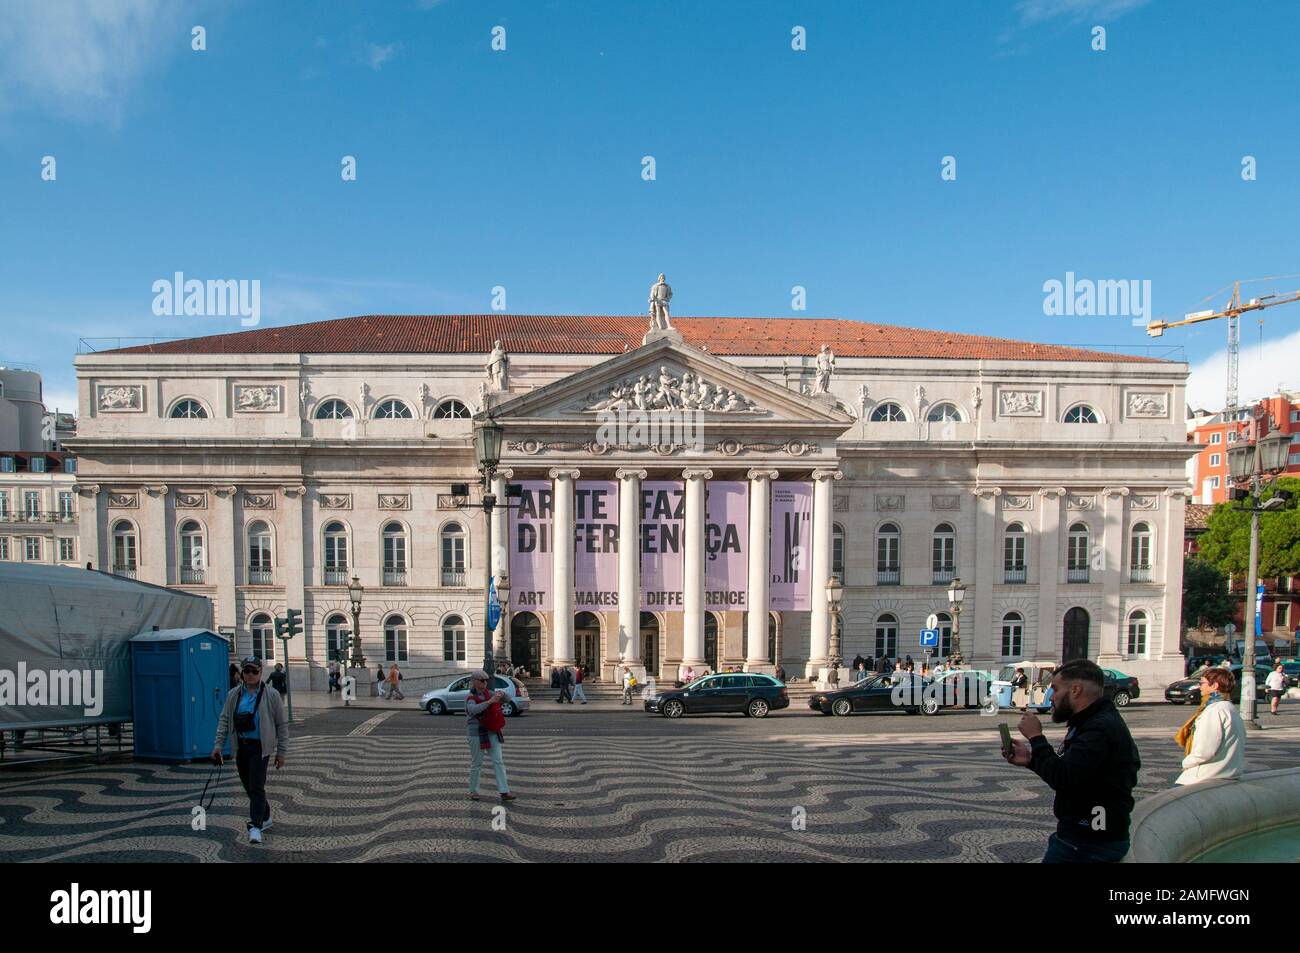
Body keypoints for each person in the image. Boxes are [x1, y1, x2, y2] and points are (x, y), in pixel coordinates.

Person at [1003, 659, 1140, 863]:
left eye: (1056, 689)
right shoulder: (1094, 721)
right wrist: (1031, 760)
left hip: (1088, 843)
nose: (1051, 697)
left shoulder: (1099, 728)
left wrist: (1036, 738)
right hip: (1083, 837)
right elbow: (1075, 774)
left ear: (1075, 690)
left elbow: (1064, 778)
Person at [211, 657, 289, 845]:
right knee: (249, 786)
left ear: (261, 672)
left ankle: (255, 826)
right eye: (247, 671)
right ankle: (266, 814)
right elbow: (224, 720)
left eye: (254, 671)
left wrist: (281, 752)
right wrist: (218, 746)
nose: (251, 675)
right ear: (242, 673)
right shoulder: (234, 695)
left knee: (255, 785)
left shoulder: (271, 694)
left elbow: (281, 724)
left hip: (261, 747)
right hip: (241, 746)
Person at [1174, 667, 1245, 784]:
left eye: (1202, 683)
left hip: (1203, 776)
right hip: (1225, 773)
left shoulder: (1214, 711)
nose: (1200, 686)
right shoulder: (1230, 708)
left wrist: (1186, 762)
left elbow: (1205, 751)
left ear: (1214, 686)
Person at [464, 670, 514, 802]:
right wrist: (489, 702)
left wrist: (503, 694)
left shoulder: (490, 693)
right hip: (476, 733)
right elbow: (473, 710)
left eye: (486, 680)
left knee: (498, 761)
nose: (485, 682)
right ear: (474, 682)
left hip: (491, 731)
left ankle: (504, 791)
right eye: (482, 680)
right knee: (477, 763)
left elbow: (508, 699)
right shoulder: (470, 697)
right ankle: (473, 791)